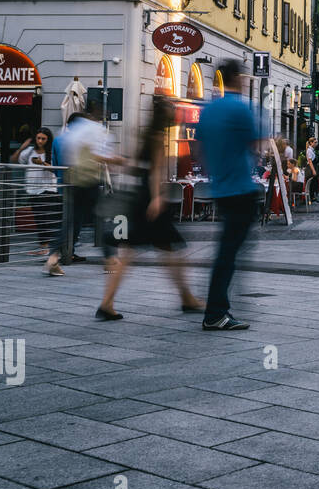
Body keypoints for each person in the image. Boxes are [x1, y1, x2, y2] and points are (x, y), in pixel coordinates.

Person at [95, 98, 205, 321]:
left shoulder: (144, 135)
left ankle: (107, 303)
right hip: (151, 201)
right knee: (172, 251)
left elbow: (137, 167)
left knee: (140, 251)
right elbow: (156, 172)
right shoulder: (158, 139)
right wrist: (157, 198)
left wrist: (116, 161)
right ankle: (187, 298)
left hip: (139, 198)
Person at [193, 60, 258, 331]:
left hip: (220, 187)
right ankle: (216, 310)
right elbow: (256, 145)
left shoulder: (208, 110)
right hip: (241, 188)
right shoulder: (240, 108)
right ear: (238, 78)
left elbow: (199, 150)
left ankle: (219, 303)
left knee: (229, 249)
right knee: (230, 251)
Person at [44, 106, 122, 277]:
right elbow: (98, 155)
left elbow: (65, 156)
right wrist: (117, 160)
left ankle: (53, 257)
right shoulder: (96, 130)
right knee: (101, 217)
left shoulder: (70, 132)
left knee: (70, 221)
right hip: (90, 180)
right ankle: (110, 260)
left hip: (72, 179)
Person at [16, 127, 57, 256]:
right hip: (33, 189)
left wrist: (42, 163)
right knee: (39, 219)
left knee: (46, 219)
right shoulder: (29, 152)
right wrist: (21, 148)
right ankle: (45, 248)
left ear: (48, 140)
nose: (40, 141)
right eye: (38, 138)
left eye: (43, 139)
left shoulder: (52, 152)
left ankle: (47, 248)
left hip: (48, 189)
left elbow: (56, 170)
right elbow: (15, 160)